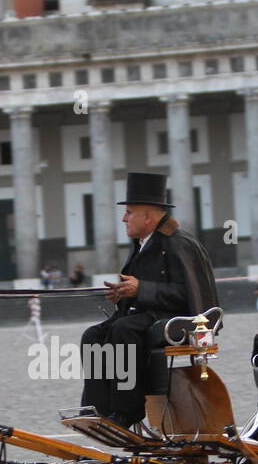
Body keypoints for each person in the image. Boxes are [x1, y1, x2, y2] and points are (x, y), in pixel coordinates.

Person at [79, 171, 219, 429]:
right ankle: (97, 408)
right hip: (146, 315)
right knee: (92, 336)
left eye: (129, 212)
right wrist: (123, 293)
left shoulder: (179, 244)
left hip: (177, 319)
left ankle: (126, 411)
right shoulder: (143, 243)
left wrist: (141, 289)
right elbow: (141, 289)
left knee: (123, 329)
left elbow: (190, 295)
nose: (124, 218)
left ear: (148, 216)